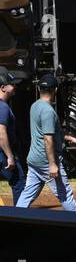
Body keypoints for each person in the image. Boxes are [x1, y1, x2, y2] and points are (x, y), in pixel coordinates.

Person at [16, 72, 76, 210]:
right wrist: (53, 165)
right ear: (55, 90)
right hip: (46, 161)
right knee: (65, 195)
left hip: (34, 159)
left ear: (39, 89)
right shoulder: (48, 111)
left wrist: (71, 138)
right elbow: (48, 138)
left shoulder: (35, 106)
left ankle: (13, 220)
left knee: (27, 194)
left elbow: (51, 132)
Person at [0, 72, 22, 203]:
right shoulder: (2, 107)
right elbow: (1, 133)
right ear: (3, 88)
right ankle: (20, 218)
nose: (15, 87)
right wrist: (10, 156)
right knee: (19, 184)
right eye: (12, 84)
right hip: (3, 155)